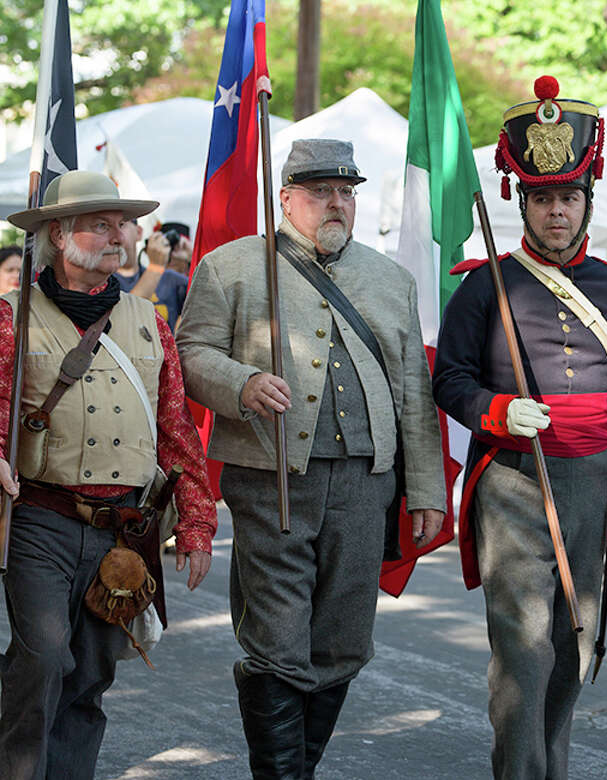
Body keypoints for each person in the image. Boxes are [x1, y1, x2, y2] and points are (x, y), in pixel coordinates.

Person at [175, 139, 446, 779]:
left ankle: (299, 770)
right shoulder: (233, 268)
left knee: (344, 641)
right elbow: (188, 355)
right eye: (322, 191)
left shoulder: (390, 279)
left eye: (346, 192)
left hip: (366, 484)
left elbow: (413, 390)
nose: (337, 204)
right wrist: (240, 382)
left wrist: (428, 490)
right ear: (286, 198)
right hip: (272, 481)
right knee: (277, 638)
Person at [432, 76, 607, 779]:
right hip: (512, 482)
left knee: (576, 645)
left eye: (568, 197)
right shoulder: (485, 286)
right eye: (542, 199)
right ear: (523, 203)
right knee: (525, 648)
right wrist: (498, 411)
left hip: (594, 481)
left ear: (585, 200)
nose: (556, 213)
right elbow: (448, 379)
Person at [0, 170, 217, 779]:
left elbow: (177, 430)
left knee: (93, 674)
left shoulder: (150, 321)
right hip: (40, 519)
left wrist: (197, 522)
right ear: (58, 235)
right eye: (100, 223)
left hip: (125, 530)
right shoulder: (10, 317)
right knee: (42, 658)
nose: (118, 235)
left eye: (121, 223)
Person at [113, 221, 192, 330]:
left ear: (139, 232)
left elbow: (207, 298)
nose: (113, 235)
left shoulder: (170, 279)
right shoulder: (102, 282)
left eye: (121, 225)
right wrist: (156, 266)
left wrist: (190, 258)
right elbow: (124, 318)